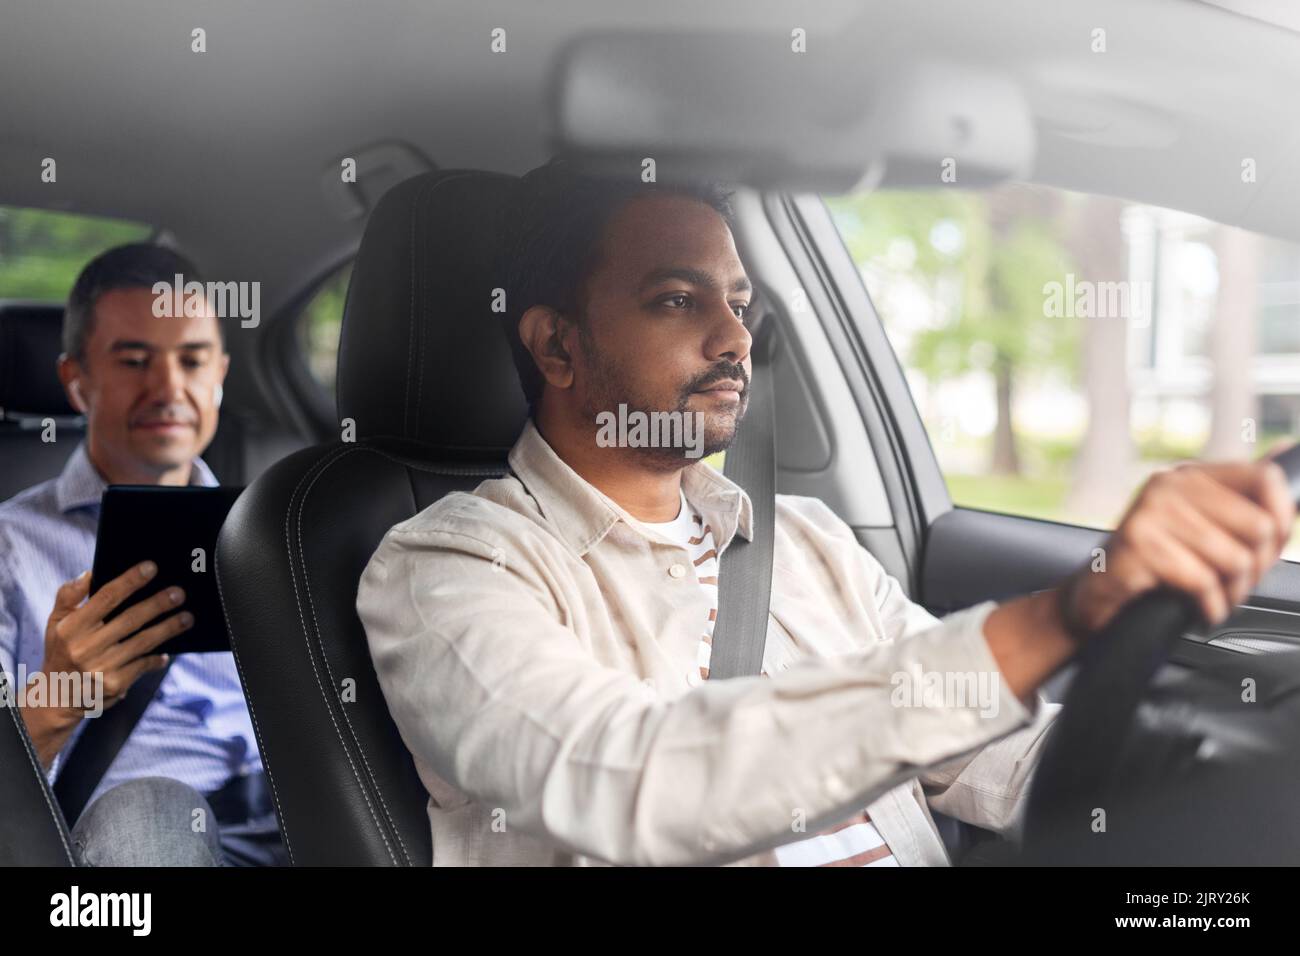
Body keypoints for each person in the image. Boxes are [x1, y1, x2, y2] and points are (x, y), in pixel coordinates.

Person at [356, 160, 1296, 866]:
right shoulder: (448, 567)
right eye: (676, 301)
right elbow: (635, 781)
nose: (734, 340)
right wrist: (1054, 621)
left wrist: (1222, 773)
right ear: (556, 345)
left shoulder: (806, 543)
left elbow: (991, 751)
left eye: (739, 303)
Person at [0, 243, 285, 866]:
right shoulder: (9, 545)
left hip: (297, 818)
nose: (168, 388)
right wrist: (58, 695)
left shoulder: (278, 531)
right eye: (134, 361)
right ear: (76, 384)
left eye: (192, 359)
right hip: (134, 835)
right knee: (148, 809)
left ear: (220, 374)